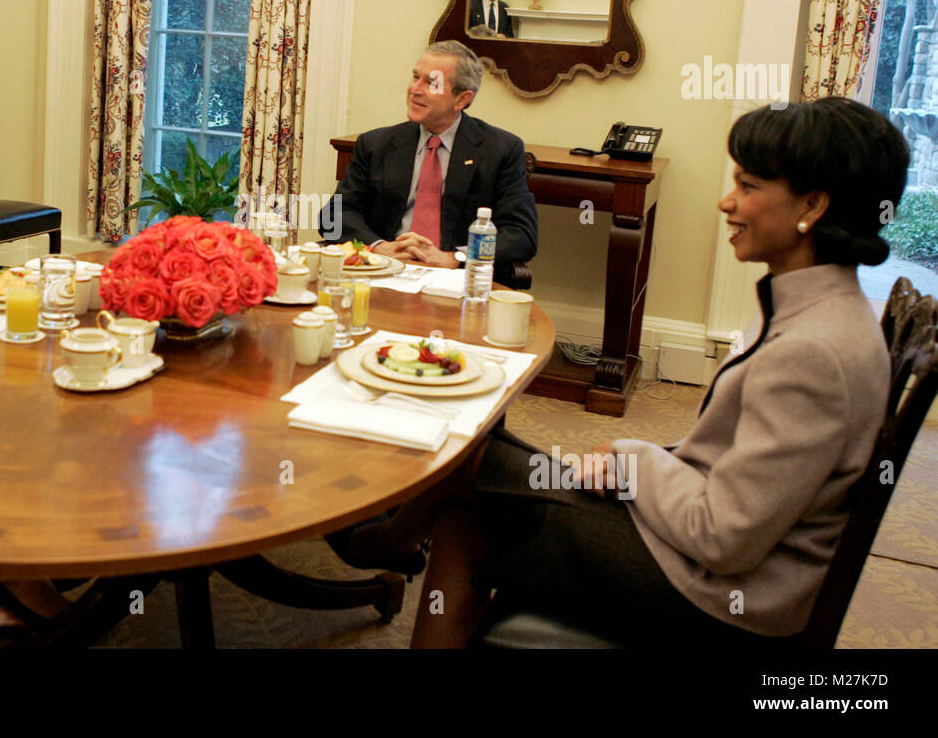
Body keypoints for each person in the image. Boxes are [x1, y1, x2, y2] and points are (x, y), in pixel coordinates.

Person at [343, 97, 910, 647]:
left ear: (812, 207)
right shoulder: (825, 313)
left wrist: (635, 459)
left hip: (717, 594)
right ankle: (389, 543)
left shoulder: (816, 351)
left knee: (472, 463)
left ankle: (385, 543)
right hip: (707, 556)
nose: (727, 203)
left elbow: (724, 538)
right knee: (473, 472)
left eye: (749, 187)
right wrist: (644, 462)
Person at [317, 40, 537, 287]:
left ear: (462, 99)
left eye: (431, 83)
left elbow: (521, 235)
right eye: (415, 77)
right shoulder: (376, 144)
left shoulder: (499, 150)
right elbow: (333, 216)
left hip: (456, 284)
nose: (415, 90)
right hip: (383, 277)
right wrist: (379, 248)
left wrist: (455, 257)